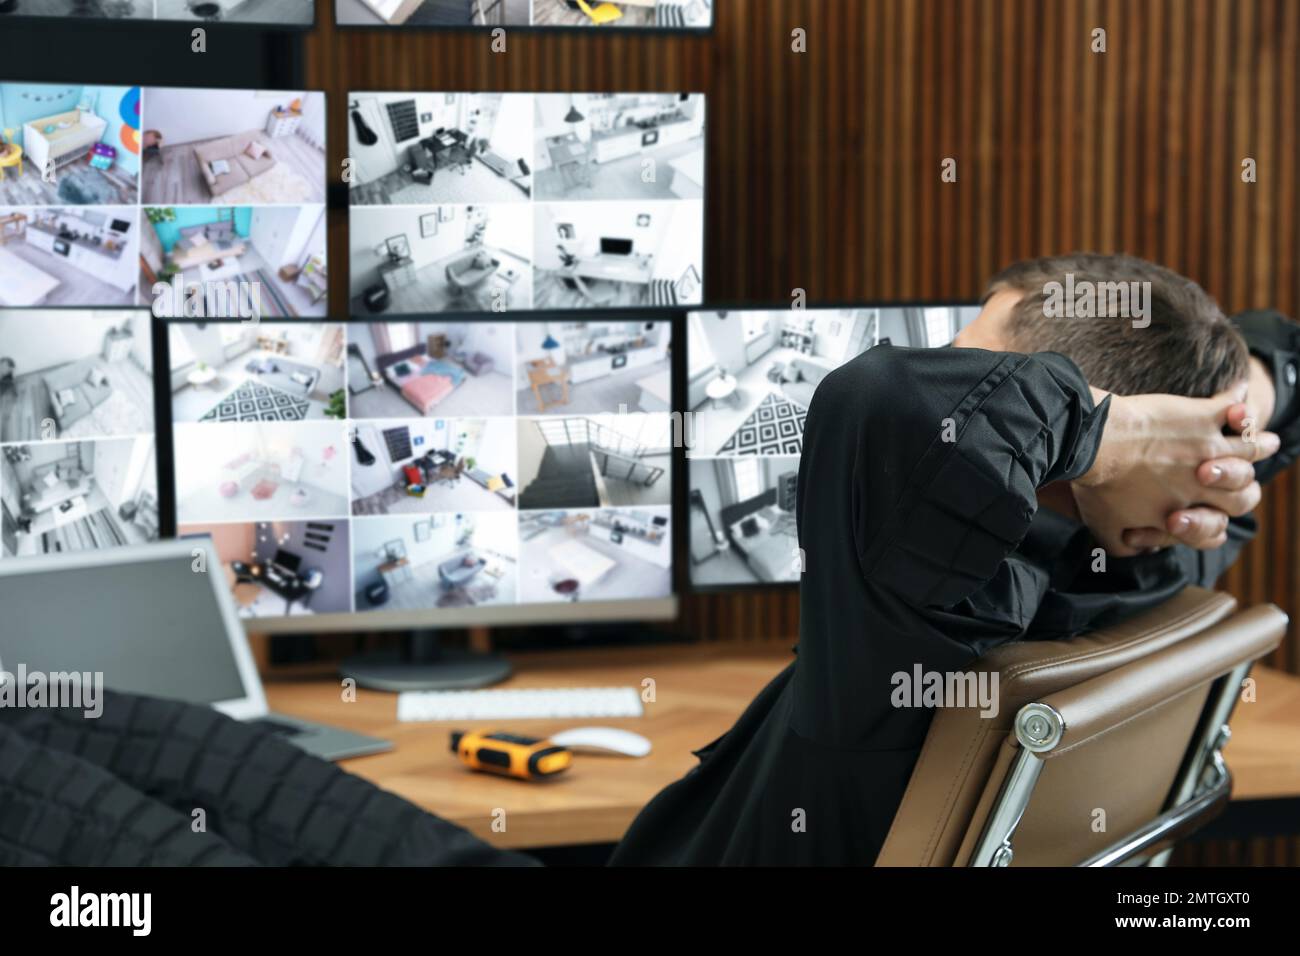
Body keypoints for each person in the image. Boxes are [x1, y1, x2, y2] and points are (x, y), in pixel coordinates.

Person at [611, 254, 1300, 866]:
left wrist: (1126, 430)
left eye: (967, 355)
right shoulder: (1166, 565)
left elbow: (879, 397)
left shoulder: (935, 610)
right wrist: (1223, 433)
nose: (945, 362)